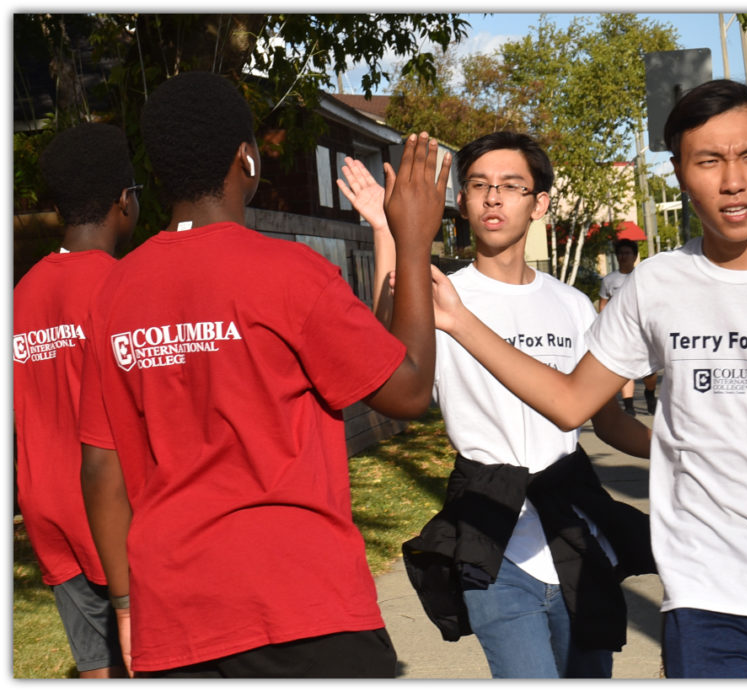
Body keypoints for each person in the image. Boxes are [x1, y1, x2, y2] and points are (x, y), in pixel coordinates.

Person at [428, 80, 747, 678]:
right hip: (706, 599)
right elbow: (569, 402)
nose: (732, 180)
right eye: (709, 161)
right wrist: (458, 321)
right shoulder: (656, 285)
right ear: (681, 174)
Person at [78, 71, 450, 677]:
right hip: (304, 610)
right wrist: (412, 242)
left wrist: (124, 604)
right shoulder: (289, 273)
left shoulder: (112, 295)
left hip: (175, 620)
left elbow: (100, 469)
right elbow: (406, 391)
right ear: (246, 159)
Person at [338, 131, 655, 679]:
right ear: (461, 200)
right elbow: (387, 354)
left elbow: (605, 419)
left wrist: (684, 450)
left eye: (511, 186)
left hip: (576, 535)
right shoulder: (442, 295)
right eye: (479, 185)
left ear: (539, 204)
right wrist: (389, 231)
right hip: (491, 539)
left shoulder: (574, 305)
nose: (492, 198)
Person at [13, 123, 138, 679]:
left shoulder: (20, 294)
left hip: (46, 511)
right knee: (148, 660)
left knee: (97, 669)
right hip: (116, 514)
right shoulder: (124, 288)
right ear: (122, 201)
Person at [598, 238, 658, 415]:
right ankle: (629, 405)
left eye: (627, 253)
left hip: (643, 329)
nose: (623, 257)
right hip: (620, 330)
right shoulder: (609, 280)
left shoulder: (642, 276)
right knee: (625, 367)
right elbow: (603, 303)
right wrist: (604, 322)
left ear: (635, 256)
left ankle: (649, 393)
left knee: (649, 372)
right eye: (620, 254)